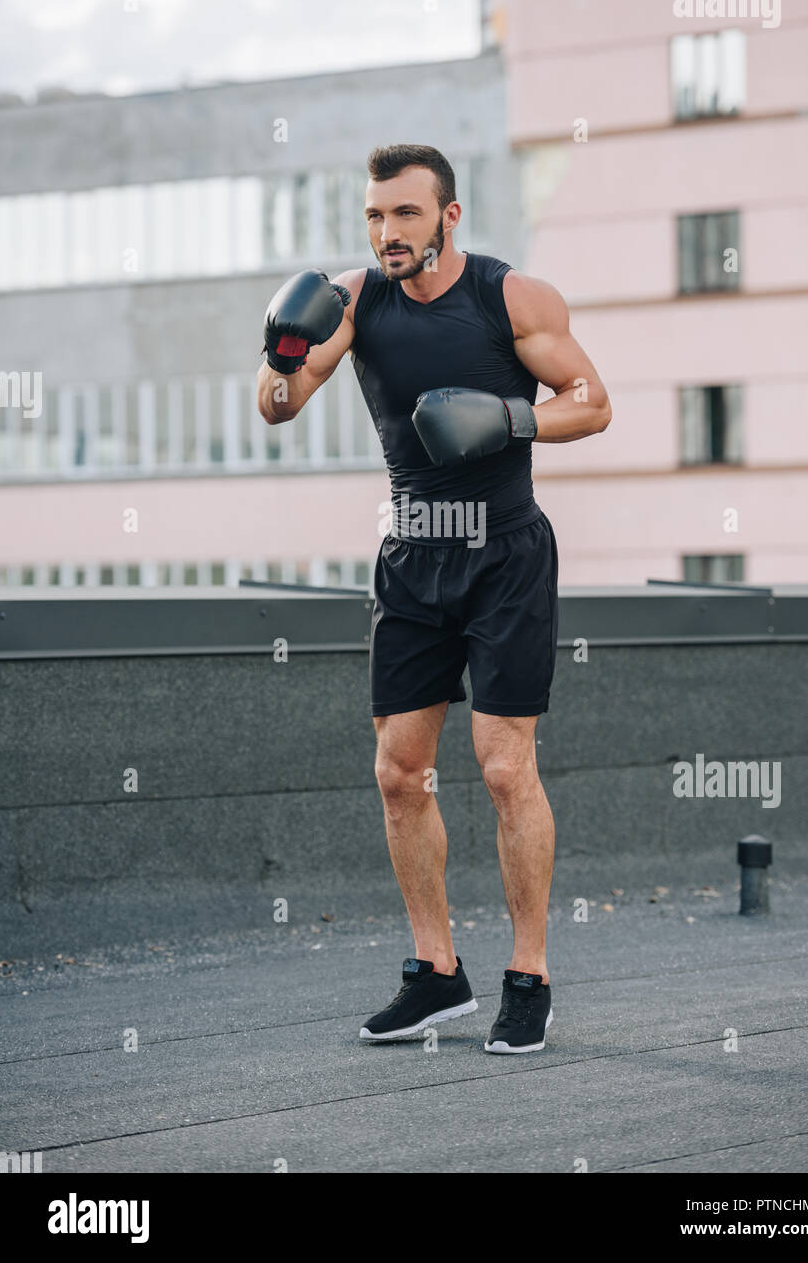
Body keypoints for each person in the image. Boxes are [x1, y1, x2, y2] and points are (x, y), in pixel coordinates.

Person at [257, 144, 611, 1053]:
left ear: (448, 216)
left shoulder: (510, 297)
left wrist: (509, 416)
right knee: (398, 772)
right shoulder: (353, 298)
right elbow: (279, 405)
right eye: (375, 217)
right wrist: (281, 353)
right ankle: (435, 972)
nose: (386, 234)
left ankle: (526, 976)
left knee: (502, 767)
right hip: (414, 555)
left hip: (505, 556)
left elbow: (593, 402)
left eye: (405, 215)